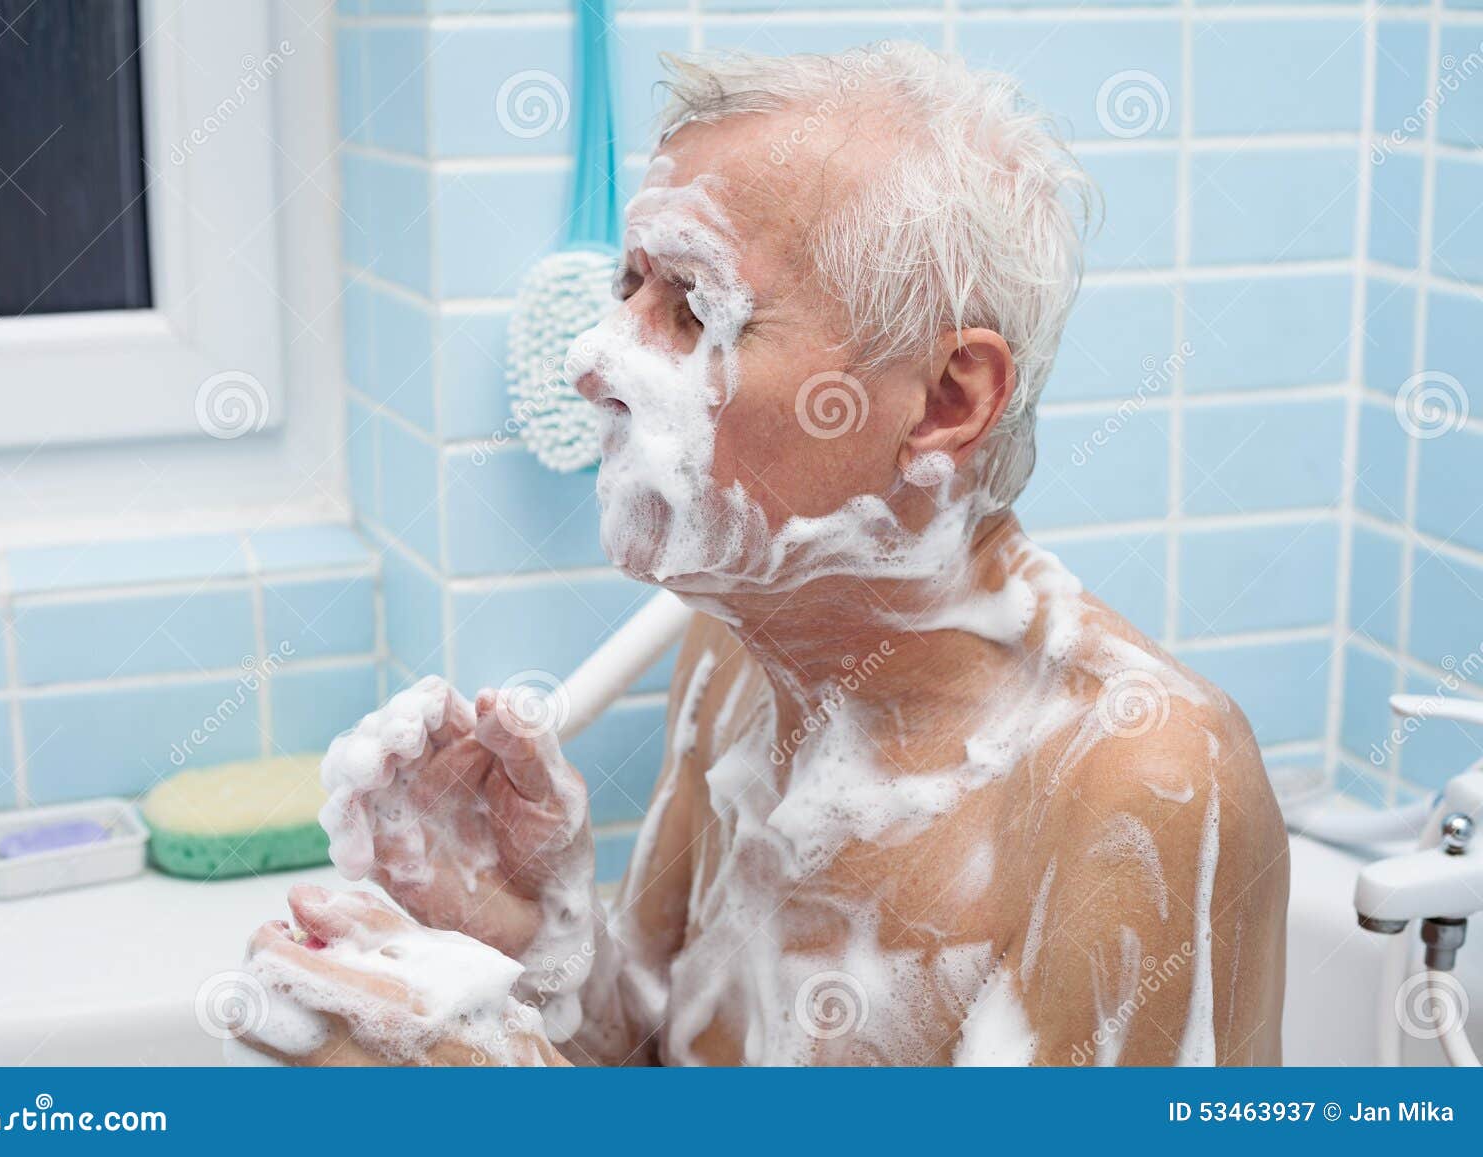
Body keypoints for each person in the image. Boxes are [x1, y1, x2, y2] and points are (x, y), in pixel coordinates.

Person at [237, 42, 1288, 1067]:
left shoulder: (1137, 779)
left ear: (947, 400)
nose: (592, 358)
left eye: (693, 304)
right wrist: (542, 951)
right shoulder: (737, 646)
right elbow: (663, 1061)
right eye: (629, 284)